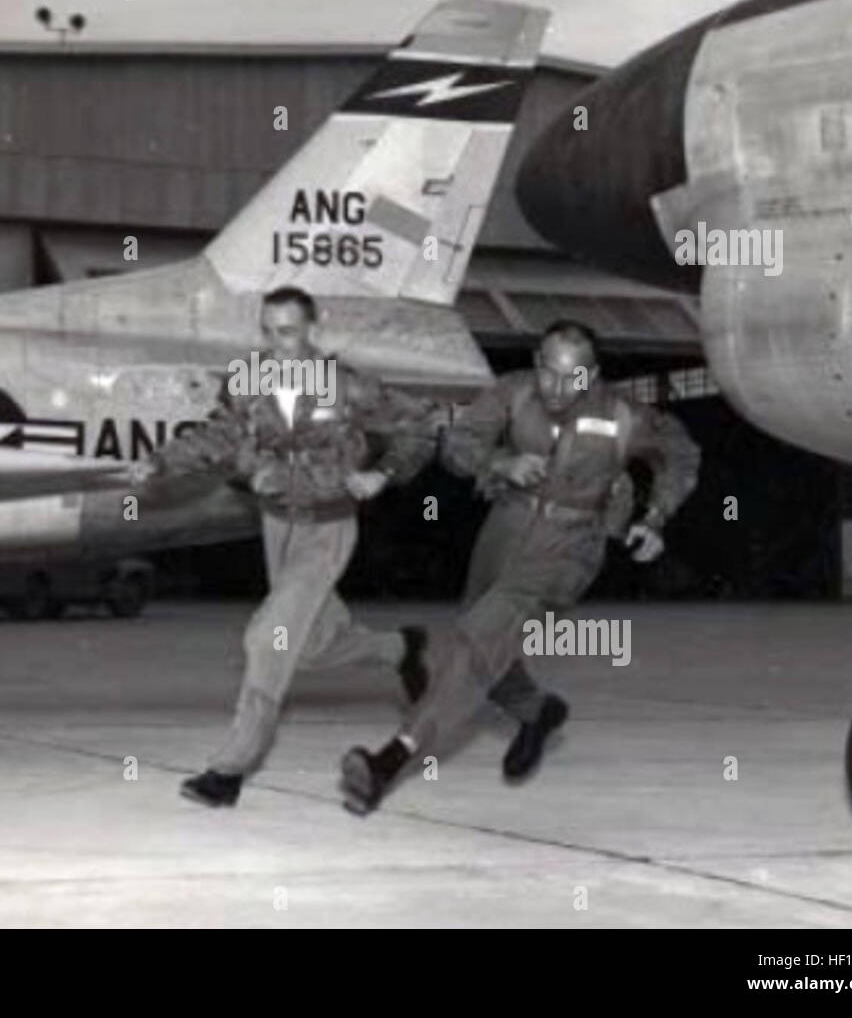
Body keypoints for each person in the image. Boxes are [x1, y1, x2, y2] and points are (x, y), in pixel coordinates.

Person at [339, 319, 701, 815]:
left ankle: (388, 761)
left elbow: (680, 453)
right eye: (549, 373)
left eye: (573, 377)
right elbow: (458, 446)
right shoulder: (511, 394)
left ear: (592, 375)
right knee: (488, 641)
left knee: (475, 644)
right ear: (536, 365)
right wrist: (499, 464)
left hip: (569, 546)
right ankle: (538, 712)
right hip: (505, 528)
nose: (558, 388)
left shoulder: (622, 415)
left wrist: (656, 518)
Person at [132, 285, 440, 807]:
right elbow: (219, 436)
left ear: (314, 330)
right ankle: (399, 648)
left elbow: (421, 423)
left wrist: (383, 474)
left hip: (328, 528)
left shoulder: (345, 385)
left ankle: (230, 770)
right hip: (277, 525)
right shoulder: (251, 379)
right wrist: (161, 462)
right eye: (270, 333)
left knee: (268, 638)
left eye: (290, 333)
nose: (279, 345)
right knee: (313, 646)